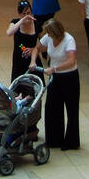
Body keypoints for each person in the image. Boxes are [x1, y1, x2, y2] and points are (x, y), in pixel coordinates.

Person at [30, 19, 79, 150]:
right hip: (55, 77)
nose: (48, 36)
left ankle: (71, 142)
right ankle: (53, 140)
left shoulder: (69, 40)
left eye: (50, 33)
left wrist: (54, 68)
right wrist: (33, 61)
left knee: (71, 109)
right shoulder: (48, 37)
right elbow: (37, 49)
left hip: (69, 77)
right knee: (51, 107)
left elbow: (71, 61)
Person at [7, 0, 40, 82]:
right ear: (19, 14)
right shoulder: (15, 22)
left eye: (28, 13)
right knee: (19, 84)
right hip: (19, 57)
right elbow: (9, 33)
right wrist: (21, 21)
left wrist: (33, 50)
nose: (27, 16)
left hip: (32, 56)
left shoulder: (36, 24)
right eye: (23, 14)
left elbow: (43, 42)